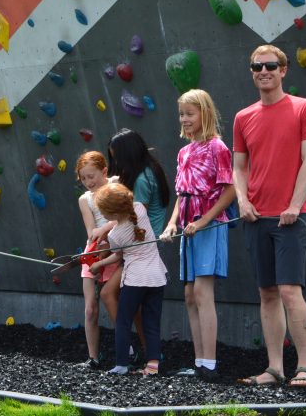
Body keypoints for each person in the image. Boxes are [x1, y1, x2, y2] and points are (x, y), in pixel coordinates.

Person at [232, 45, 306, 388]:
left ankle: (305, 368)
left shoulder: (305, 108)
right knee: (267, 293)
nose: (264, 71)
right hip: (256, 218)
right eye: (257, 66)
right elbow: (239, 167)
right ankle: (274, 369)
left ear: (284, 70)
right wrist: (242, 201)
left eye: (271, 65)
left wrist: (295, 205)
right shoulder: (243, 117)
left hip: (292, 219)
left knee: (289, 291)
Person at [160, 89, 236, 382]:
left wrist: (204, 221)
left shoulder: (218, 147)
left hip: (209, 226)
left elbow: (230, 189)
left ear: (205, 113)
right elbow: (182, 195)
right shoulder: (184, 152)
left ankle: (210, 364)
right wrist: (171, 224)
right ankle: (200, 361)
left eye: (190, 113)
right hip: (188, 228)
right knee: (190, 294)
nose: (184, 119)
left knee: (203, 292)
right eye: (181, 114)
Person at [90, 183, 168, 376]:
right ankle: (153, 365)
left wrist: (99, 264)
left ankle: (122, 364)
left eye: (104, 212)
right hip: (157, 277)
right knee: (151, 322)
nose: (103, 215)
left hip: (135, 280)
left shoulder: (115, 235)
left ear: (113, 213)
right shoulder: (140, 209)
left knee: (123, 321)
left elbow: (118, 256)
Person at [74, 151, 120, 369]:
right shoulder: (85, 199)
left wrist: (105, 237)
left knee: (113, 302)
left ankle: (127, 349)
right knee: (90, 308)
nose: (88, 182)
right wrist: (96, 246)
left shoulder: (115, 185)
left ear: (104, 171)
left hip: (115, 250)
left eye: (91, 176)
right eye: (83, 178)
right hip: (94, 251)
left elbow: (123, 218)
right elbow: (91, 231)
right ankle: (93, 357)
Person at [107, 129, 170, 239]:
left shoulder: (141, 180)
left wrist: (105, 229)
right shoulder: (149, 168)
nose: (116, 163)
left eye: (117, 158)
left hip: (148, 238)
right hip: (153, 233)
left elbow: (137, 216)